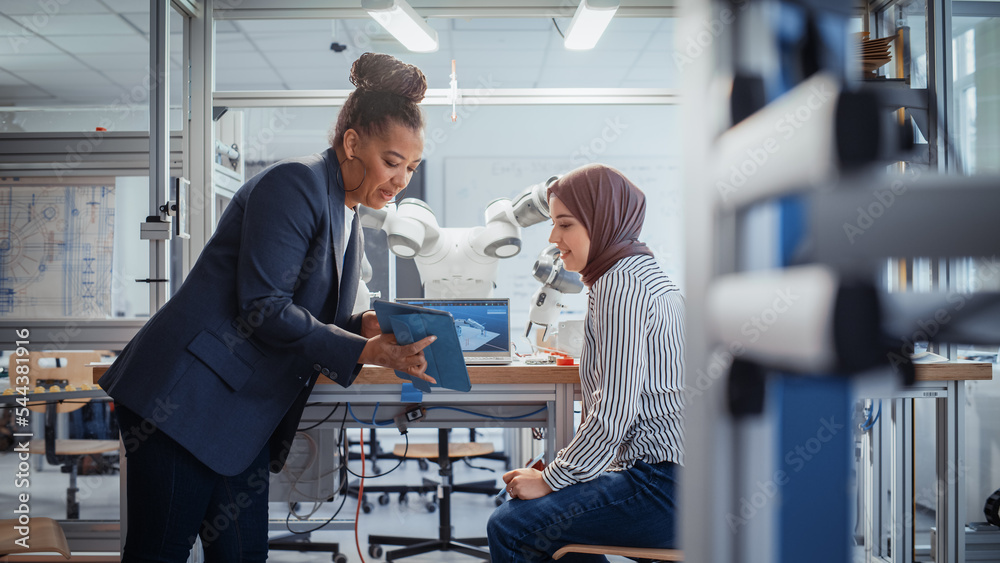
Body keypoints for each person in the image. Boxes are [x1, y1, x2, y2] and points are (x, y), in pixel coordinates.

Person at [98, 52, 436, 562]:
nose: (402, 179)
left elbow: (309, 310)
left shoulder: (346, 214)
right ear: (351, 143)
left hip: (240, 414)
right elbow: (265, 306)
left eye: (411, 167)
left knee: (241, 554)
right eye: (392, 162)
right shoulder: (294, 184)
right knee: (159, 551)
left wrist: (366, 323)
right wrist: (366, 350)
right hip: (186, 398)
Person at [486, 164, 684, 562]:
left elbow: (613, 412)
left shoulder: (619, 286)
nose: (553, 237)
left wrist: (551, 479)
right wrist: (560, 476)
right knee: (551, 523)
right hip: (679, 479)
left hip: (664, 487)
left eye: (566, 224)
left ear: (602, 221)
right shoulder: (639, 272)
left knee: (510, 525)